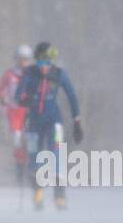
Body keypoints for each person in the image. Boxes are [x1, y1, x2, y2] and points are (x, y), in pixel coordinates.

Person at [16, 41, 82, 210]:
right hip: (34, 122)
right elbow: (18, 95)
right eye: (39, 62)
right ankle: (37, 192)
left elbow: (72, 96)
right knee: (34, 157)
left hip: (54, 120)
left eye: (46, 63)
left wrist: (77, 121)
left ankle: (59, 195)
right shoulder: (29, 73)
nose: (43, 67)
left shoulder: (59, 74)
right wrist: (25, 99)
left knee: (57, 153)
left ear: (51, 61)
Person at [0, 44, 32, 186]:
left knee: (30, 141)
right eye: (21, 59)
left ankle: (31, 170)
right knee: (17, 142)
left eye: (26, 59)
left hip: (28, 112)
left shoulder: (32, 74)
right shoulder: (10, 74)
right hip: (14, 112)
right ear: (16, 60)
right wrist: (2, 99)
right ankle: (19, 172)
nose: (23, 62)